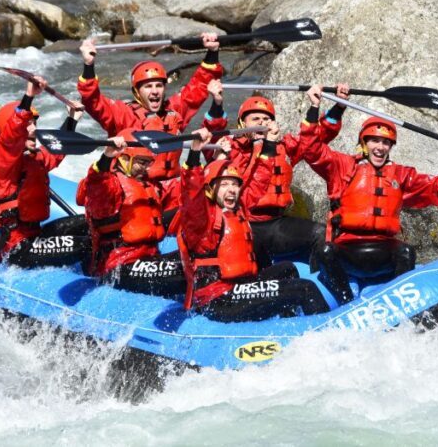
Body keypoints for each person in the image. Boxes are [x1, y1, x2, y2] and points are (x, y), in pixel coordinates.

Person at [300, 91, 438, 304]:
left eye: (386, 142)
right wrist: (314, 107)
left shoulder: (402, 175)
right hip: (347, 250)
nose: (380, 147)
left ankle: (397, 303)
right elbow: (310, 149)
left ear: (391, 147)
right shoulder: (342, 167)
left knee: (406, 251)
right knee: (324, 250)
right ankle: (345, 303)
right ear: (364, 143)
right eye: (374, 141)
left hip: (383, 252)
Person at [177, 128, 330, 322]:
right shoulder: (201, 220)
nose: (232, 190)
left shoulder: (238, 209)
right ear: (209, 190)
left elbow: (259, 180)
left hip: (240, 286)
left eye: (234, 184)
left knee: (287, 268)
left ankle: (287, 322)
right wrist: (194, 152)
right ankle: (326, 338)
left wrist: (269, 145)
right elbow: (191, 194)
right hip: (219, 299)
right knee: (305, 288)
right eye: (224, 185)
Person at [202, 84, 350, 268]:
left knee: (320, 233)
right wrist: (217, 103)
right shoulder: (229, 148)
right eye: (255, 118)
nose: (261, 123)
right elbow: (211, 142)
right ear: (241, 124)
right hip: (244, 225)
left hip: (277, 224)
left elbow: (315, 139)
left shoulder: (284, 147)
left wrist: (333, 106)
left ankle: (327, 284)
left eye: (266, 119)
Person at [0, 77, 90, 267]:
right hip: (16, 248)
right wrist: (28, 96)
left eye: (34, 122)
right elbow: (11, 136)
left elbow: (56, 151)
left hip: (35, 235)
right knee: (88, 245)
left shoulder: (34, 159)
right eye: (28, 124)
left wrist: (72, 119)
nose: (34, 129)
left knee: (93, 225)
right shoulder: (2, 163)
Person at [77, 34, 222, 186]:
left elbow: (198, 87)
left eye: (159, 85)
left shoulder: (175, 110)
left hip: (170, 188)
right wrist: (88, 65)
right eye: (148, 86)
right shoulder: (123, 114)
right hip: (134, 188)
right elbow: (92, 100)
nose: (155, 91)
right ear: (137, 92)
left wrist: (212, 52)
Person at [76, 129, 185, 295]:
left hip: (148, 259)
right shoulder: (110, 186)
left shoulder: (150, 186)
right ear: (124, 158)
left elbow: (187, 190)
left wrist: (210, 157)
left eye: (148, 163)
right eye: (141, 162)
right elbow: (98, 185)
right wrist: (107, 156)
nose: (146, 168)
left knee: (197, 261)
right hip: (119, 266)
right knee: (186, 272)